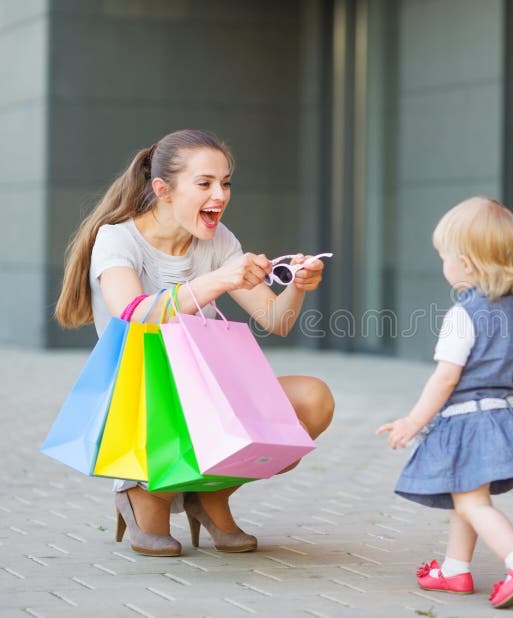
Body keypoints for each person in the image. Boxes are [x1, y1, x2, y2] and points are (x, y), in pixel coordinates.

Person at [54, 129, 335, 557]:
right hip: (142, 397)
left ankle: (210, 492)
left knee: (312, 400)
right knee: (175, 408)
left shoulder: (219, 240)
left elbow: (276, 320)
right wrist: (218, 279)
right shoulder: (118, 239)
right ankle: (143, 492)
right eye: (204, 183)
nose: (219, 194)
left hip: (204, 390)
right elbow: (134, 313)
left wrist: (297, 285)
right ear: (163, 190)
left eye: (225, 183)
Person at [376, 197, 513, 609]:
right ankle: (455, 569)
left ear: (466, 263)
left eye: (443, 256)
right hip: (505, 415)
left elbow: (446, 377)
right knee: (465, 496)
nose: (443, 264)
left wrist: (413, 421)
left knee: (472, 502)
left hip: (468, 422)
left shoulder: (464, 314)